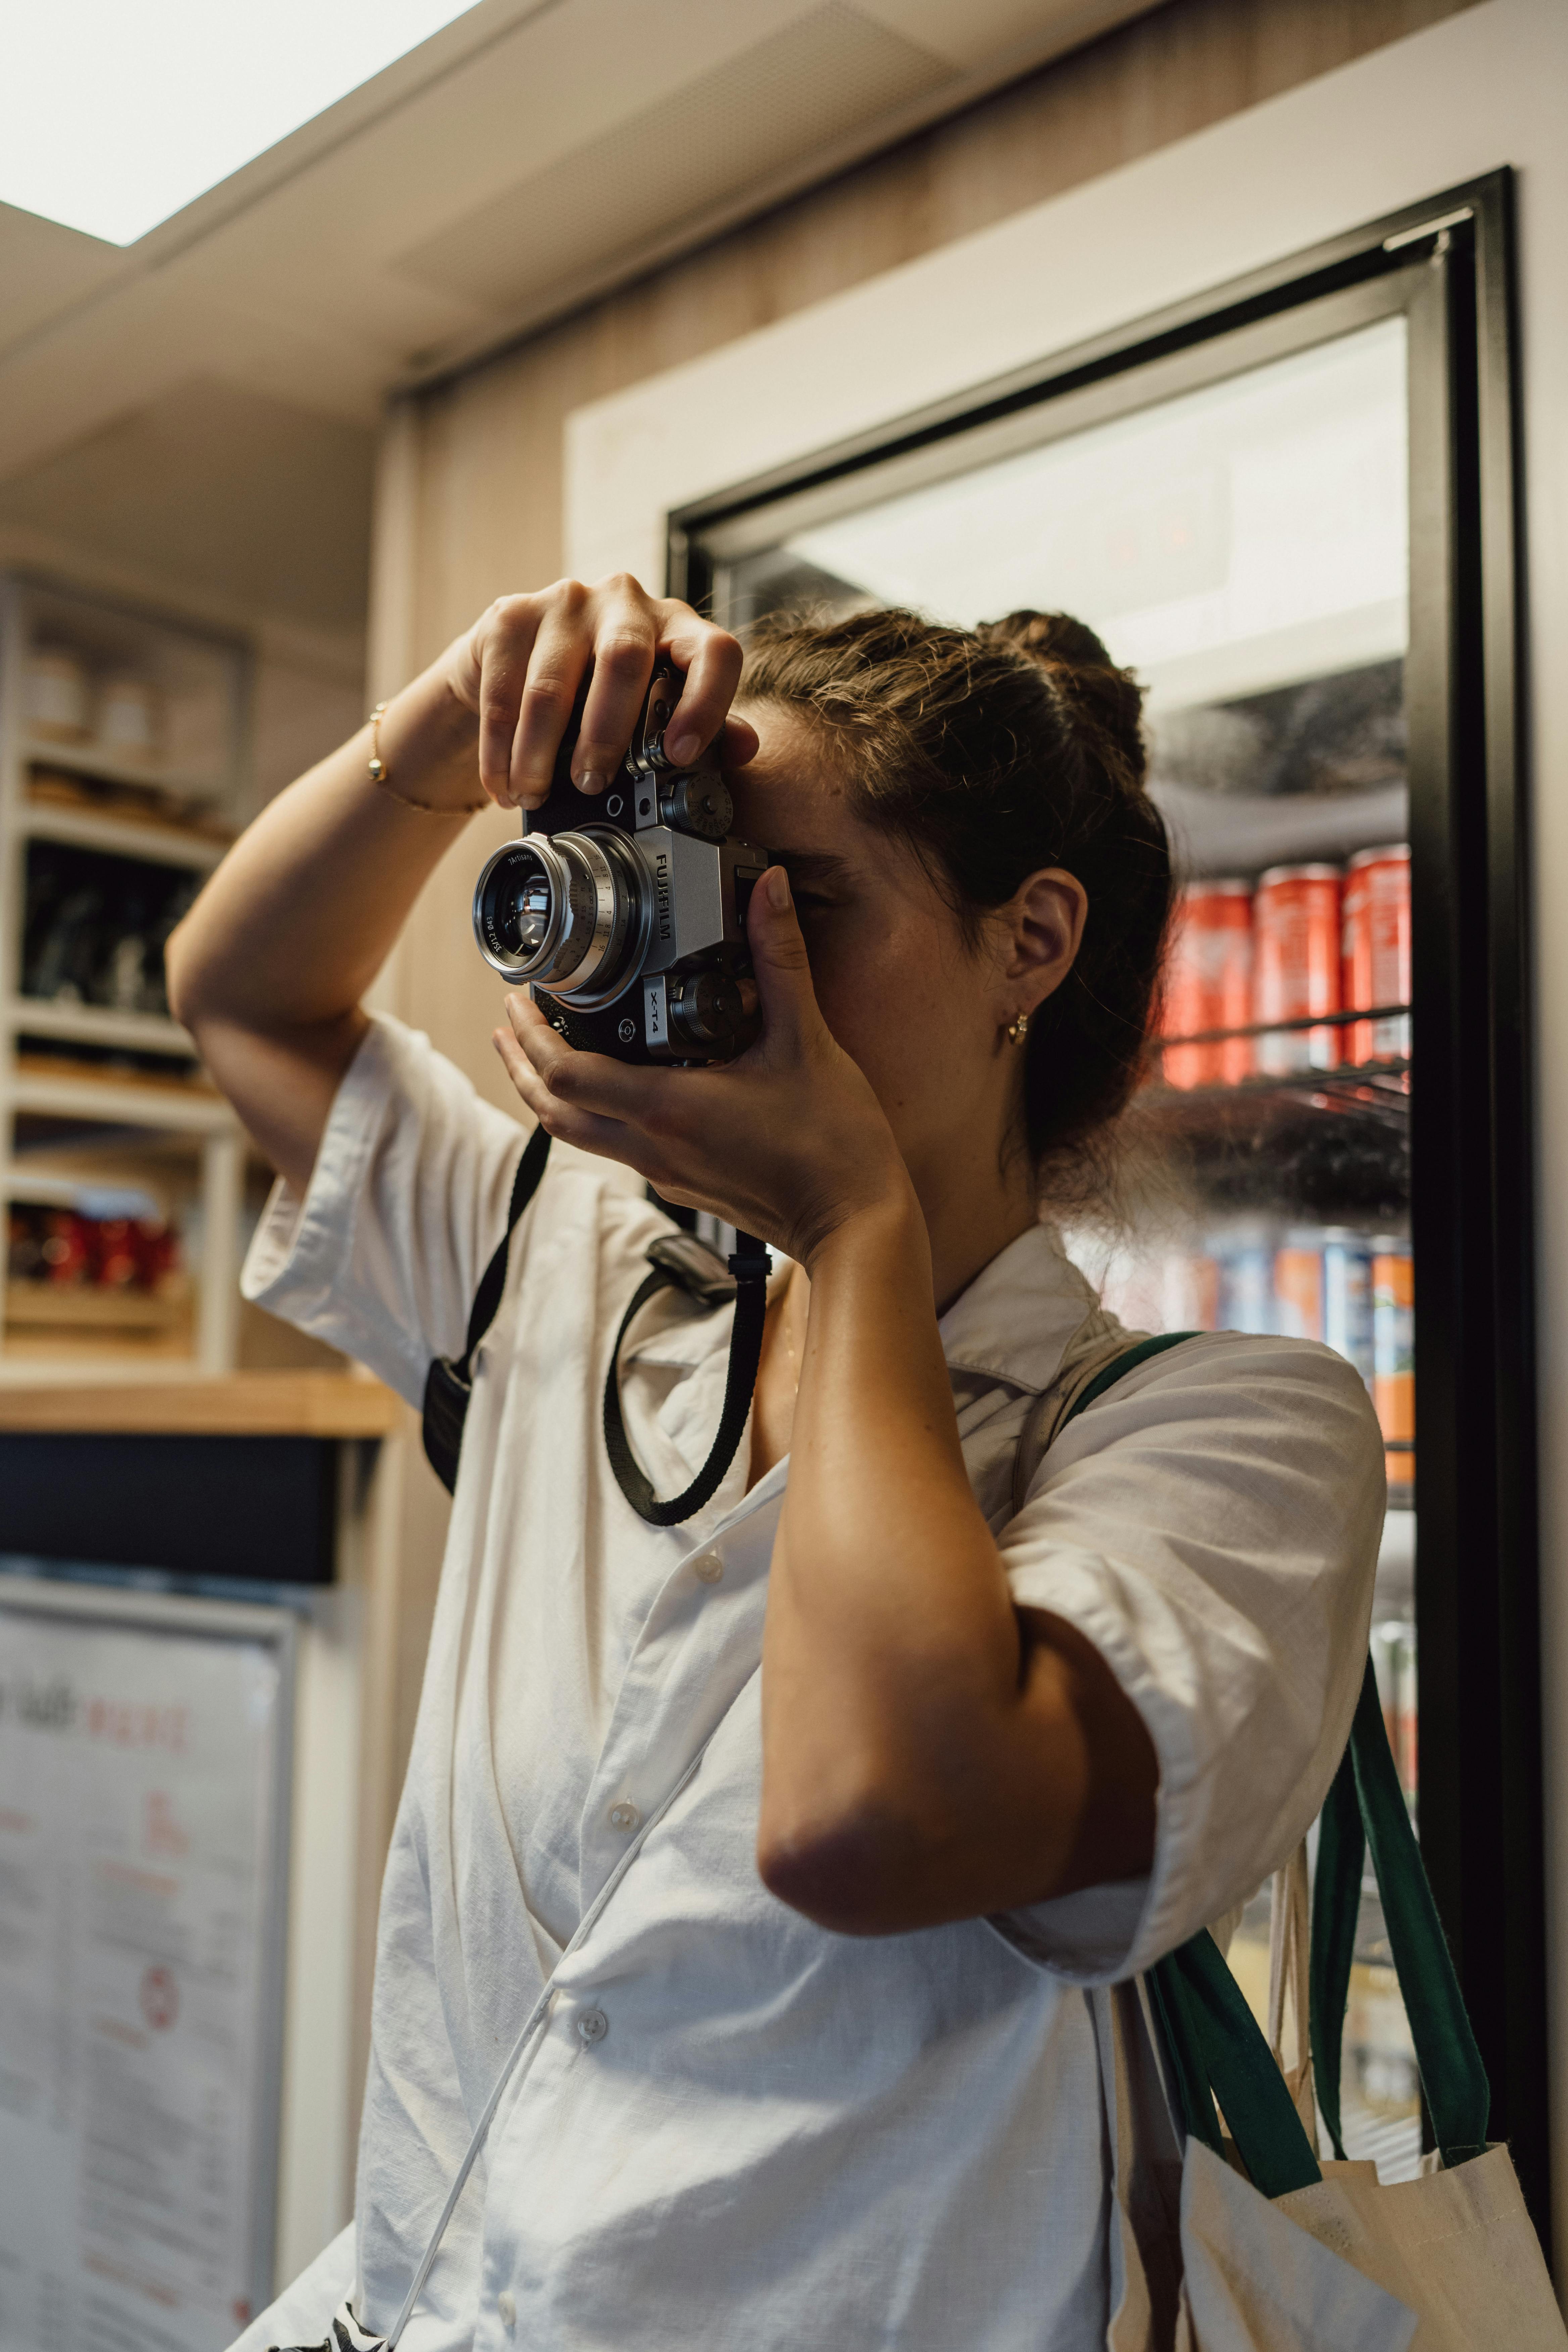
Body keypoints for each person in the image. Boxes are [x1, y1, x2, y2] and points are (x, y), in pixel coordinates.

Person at [168, 576, 1383, 2352]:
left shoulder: (1232, 1431)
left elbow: (878, 1815)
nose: (729, 963)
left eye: (802, 908)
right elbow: (250, 1002)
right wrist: (449, 731)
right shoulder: (574, 1261)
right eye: (700, 902)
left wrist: (853, 1230)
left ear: (1030, 945)